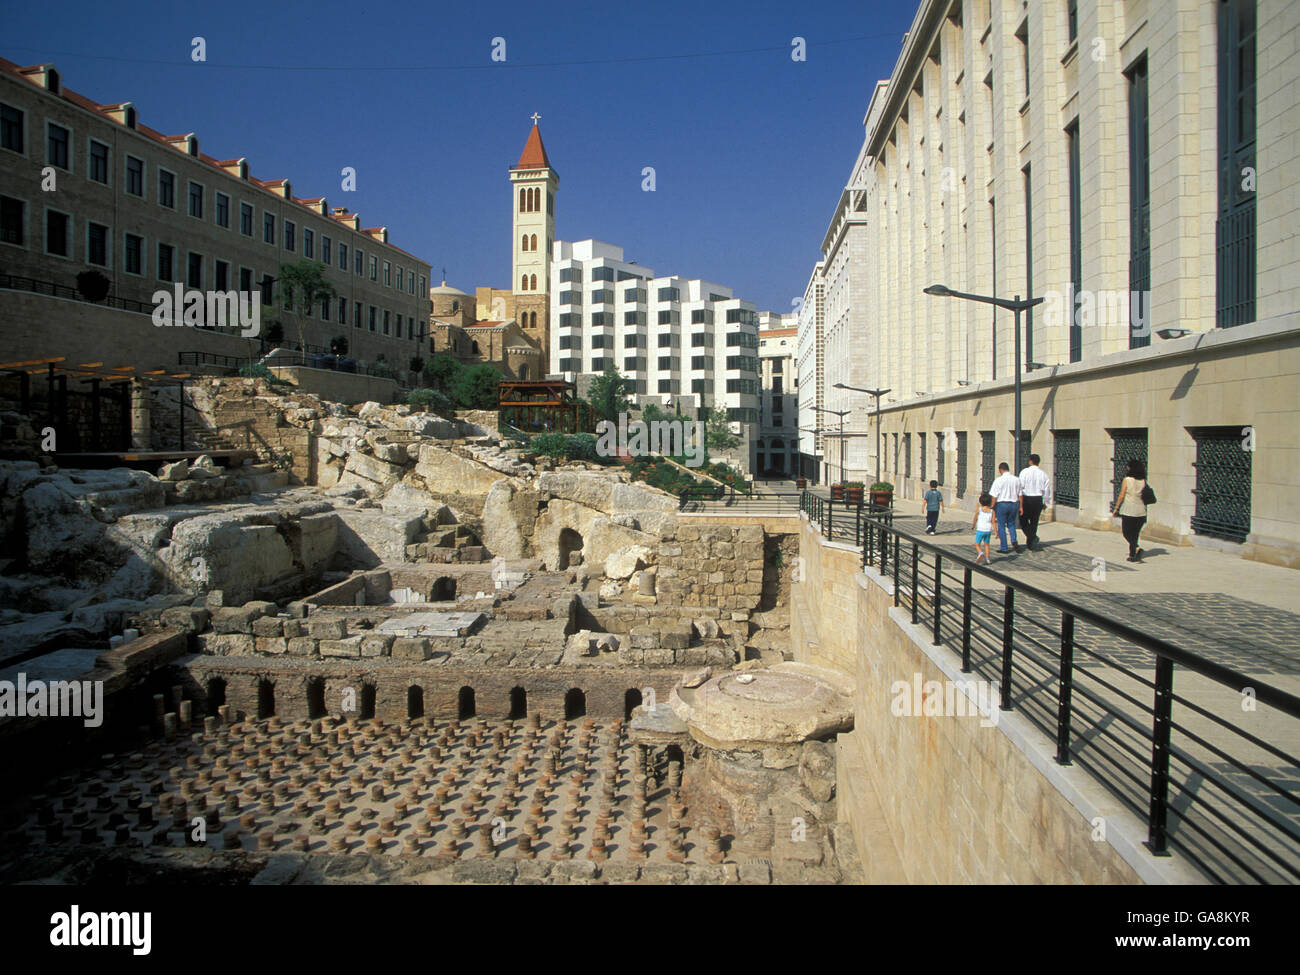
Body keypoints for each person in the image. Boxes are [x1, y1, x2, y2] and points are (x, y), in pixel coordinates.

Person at [1112, 458, 1149, 562]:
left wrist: (1116, 508)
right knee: (1135, 533)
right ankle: (1133, 554)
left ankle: (1138, 549)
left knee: (1126, 532)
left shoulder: (1127, 480)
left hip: (1129, 509)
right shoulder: (1143, 481)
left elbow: (1122, 495)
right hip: (1141, 510)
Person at [1018, 453, 1051, 551]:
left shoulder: (1024, 472)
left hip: (1027, 498)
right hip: (1038, 499)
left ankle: (1031, 538)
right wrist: (1045, 502)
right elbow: (1046, 490)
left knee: (1023, 520)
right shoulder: (1043, 474)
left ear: (1030, 461)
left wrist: (1019, 501)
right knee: (1034, 521)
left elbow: (1020, 486)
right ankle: (1031, 542)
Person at [989, 462, 1022, 553]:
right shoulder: (1016, 479)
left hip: (1002, 504)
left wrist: (992, 506)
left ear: (1001, 470)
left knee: (1001, 526)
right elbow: (1020, 494)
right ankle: (1014, 541)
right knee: (1011, 524)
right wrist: (1021, 506)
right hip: (1013, 504)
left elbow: (994, 495)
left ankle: (1004, 547)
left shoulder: (998, 480)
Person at [972, 493, 997, 564]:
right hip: (988, 530)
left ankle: (980, 553)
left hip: (980, 529)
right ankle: (988, 558)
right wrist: (996, 532)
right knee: (987, 544)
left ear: (980, 502)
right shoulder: (992, 511)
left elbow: (975, 518)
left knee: (977, 544)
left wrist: (973, 525)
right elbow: (993, 522)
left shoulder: (979, 510)